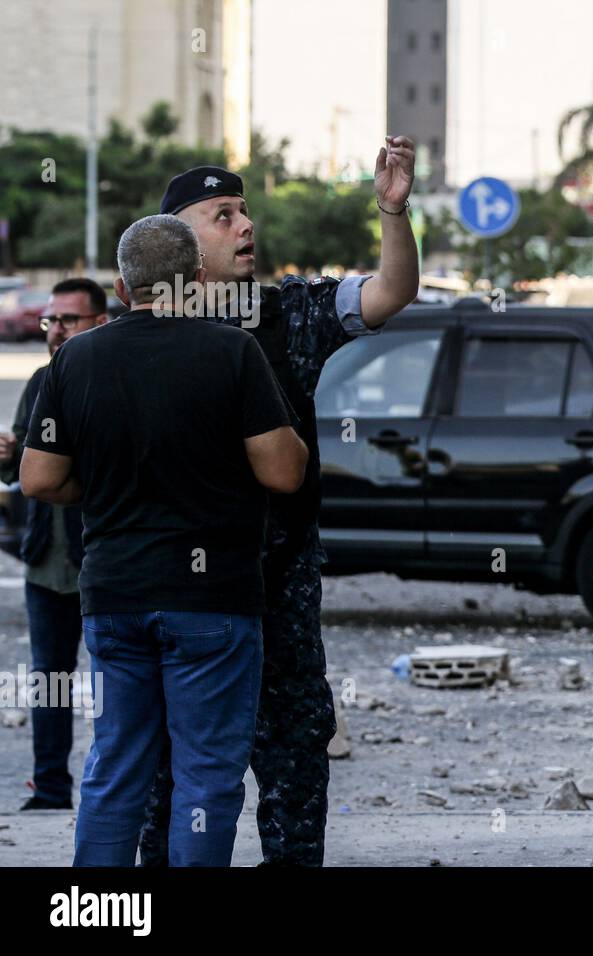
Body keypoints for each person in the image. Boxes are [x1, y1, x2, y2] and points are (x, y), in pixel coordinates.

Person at [140, 136, 418, 866]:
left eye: (245, 211)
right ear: (176, 239)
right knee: (172, 762)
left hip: (276, 581)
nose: (245, 225)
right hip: (178, 584)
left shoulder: (287, 311)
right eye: (222, 215)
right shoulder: (144, 330)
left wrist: (394, 210)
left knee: (294, 754)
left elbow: (389, 294)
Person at [20, 214, 307, 866]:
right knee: (206, 774)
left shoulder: (77, 359)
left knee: (116, 763)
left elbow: (40, 478)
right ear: (199, 279)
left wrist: (108, 484)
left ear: (123, 288)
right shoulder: (232, 352)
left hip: (116, 593)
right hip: (213, 600)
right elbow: (284, 471)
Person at [0, 278, 107, 810]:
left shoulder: (116, 376)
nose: (56, 331)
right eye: (50, 321)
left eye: (69, 320)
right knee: (49, 680)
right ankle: (50, 789)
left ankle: (111, 795)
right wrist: (8, 454)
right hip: (47, 561)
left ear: (100, 323)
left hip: (106, 559)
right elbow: (24, 472)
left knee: (119, 682)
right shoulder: (42, 380)